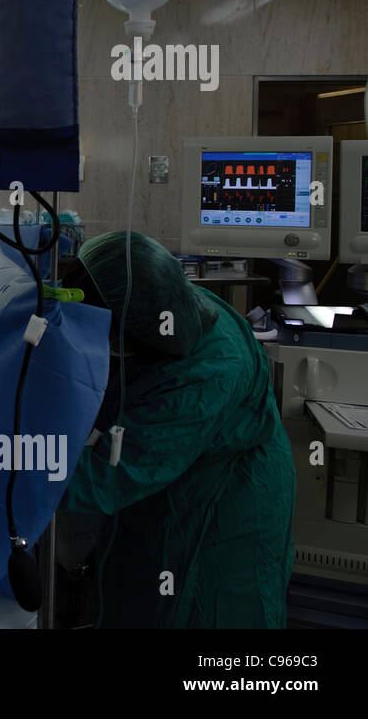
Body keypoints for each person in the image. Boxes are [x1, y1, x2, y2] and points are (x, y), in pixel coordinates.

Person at [59, 231, 295, 628]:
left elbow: (111, 471)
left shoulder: (205, 376)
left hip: (226, 506)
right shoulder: (161, 302)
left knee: (198, 608)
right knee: (135, 590)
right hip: (170, 481)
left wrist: (3, 476)